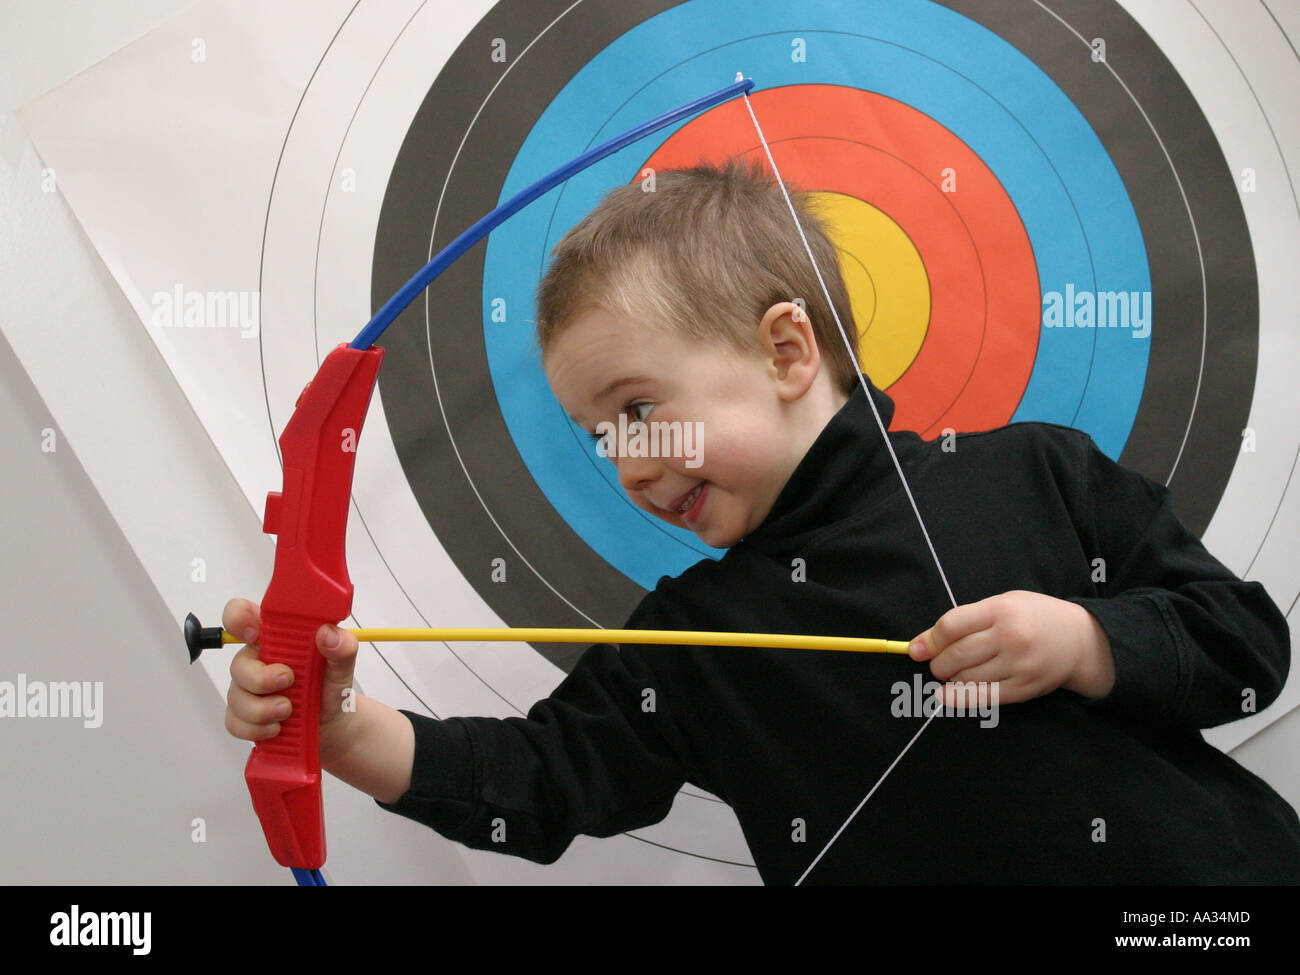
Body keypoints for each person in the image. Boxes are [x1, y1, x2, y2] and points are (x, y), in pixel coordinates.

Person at [223, 159, 1300, 883]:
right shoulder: (698, 637)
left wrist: (1087, 642)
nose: (624, 465)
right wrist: (342, 733)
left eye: (637, 411)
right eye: (599, 438)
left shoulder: (1032, 473)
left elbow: (1246, 647)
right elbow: (539, 781)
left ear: (789, 351)